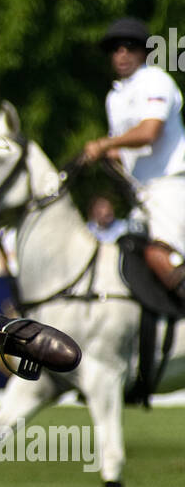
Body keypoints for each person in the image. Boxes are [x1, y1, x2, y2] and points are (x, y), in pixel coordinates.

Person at [82, 17, 185, 299]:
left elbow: (150, 131)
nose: (122, 54)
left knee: (161, 257)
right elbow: (123, 148)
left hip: (169, 187)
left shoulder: (155, 80)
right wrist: (107, 155)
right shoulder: (114, 96)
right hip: (141, 195)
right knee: (128, 255)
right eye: (115, 49)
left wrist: (105, 144)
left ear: (144, 52)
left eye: (130, 47)